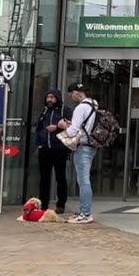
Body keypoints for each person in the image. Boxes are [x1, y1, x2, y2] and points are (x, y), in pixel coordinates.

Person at [57, 83, 97, 224]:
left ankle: (85, 213)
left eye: (71, 94)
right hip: (92, 145)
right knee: (84, 179)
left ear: (75, 93)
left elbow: (73, 131)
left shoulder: (80, 108)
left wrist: (63, 126)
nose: (71, 97)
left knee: (83, 180)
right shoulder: (94, 104)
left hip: (83, 146)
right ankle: (83, 210)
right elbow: (86, 126)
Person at [35, 89, 71, 213]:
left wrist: (57, 127)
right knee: (44, 178)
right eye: (48, 97)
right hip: (45, 148)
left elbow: (72, 126)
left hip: (59, 148)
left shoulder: (64, 110)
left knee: (60, 177)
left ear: (57, 98)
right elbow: (39, 127)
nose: (49, 99)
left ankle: (61, 204)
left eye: (52, 97)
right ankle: (43, 204)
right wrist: (39, 142)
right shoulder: (45, 111)